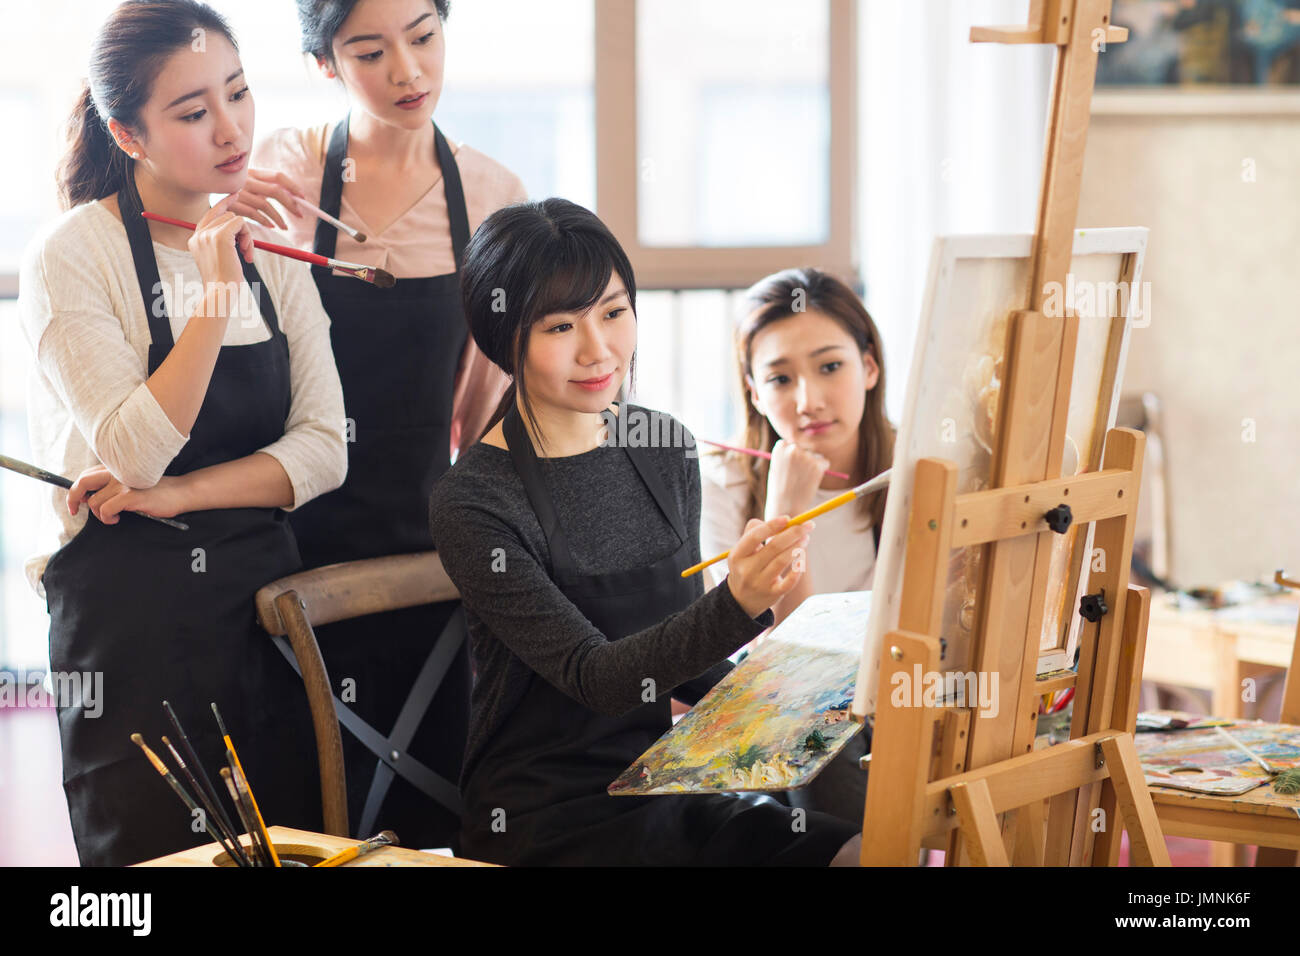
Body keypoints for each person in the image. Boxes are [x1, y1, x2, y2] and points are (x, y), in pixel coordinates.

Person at [429, 198, 862, 865]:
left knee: (858, 847)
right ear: (504, 336)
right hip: (549, 816)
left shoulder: (663, 447)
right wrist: (740, 604)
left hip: (668, 782)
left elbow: (682, 656)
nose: (599, 350)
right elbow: (598, 677)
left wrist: (817, 688)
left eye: (613, 312)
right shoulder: (474, 500)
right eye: (559, 327)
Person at [17, 0, 348, 866]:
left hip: (266, 614)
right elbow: (129, 451)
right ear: (128, 136)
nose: (232, 129)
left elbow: (324, 448)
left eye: (237, 94)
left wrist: (179, 496)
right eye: (194, 112)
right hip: (132, 633)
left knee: (289, 848)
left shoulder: (276, 246)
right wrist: (208, 299)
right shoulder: (70, 257)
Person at [240, 0, 528, 849]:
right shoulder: (288, 170)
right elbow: (244, 353)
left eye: (425, 36)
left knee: (438, 797)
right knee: (307, 815)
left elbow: (487, 400)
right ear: (326, 64)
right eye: (370, 51)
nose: (407, 70)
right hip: (294, 535)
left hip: (429, 550)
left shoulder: (491, 192)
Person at [698, 267, 894, 825]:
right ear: (754, 393)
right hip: (785, 713)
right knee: (809, 708)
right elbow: (798, 657)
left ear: (870, 367)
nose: (809, 400)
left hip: (902, 700)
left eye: (831, 366)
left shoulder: (917, 472)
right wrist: (789, 512)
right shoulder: (725, 487)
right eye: (781, 380)